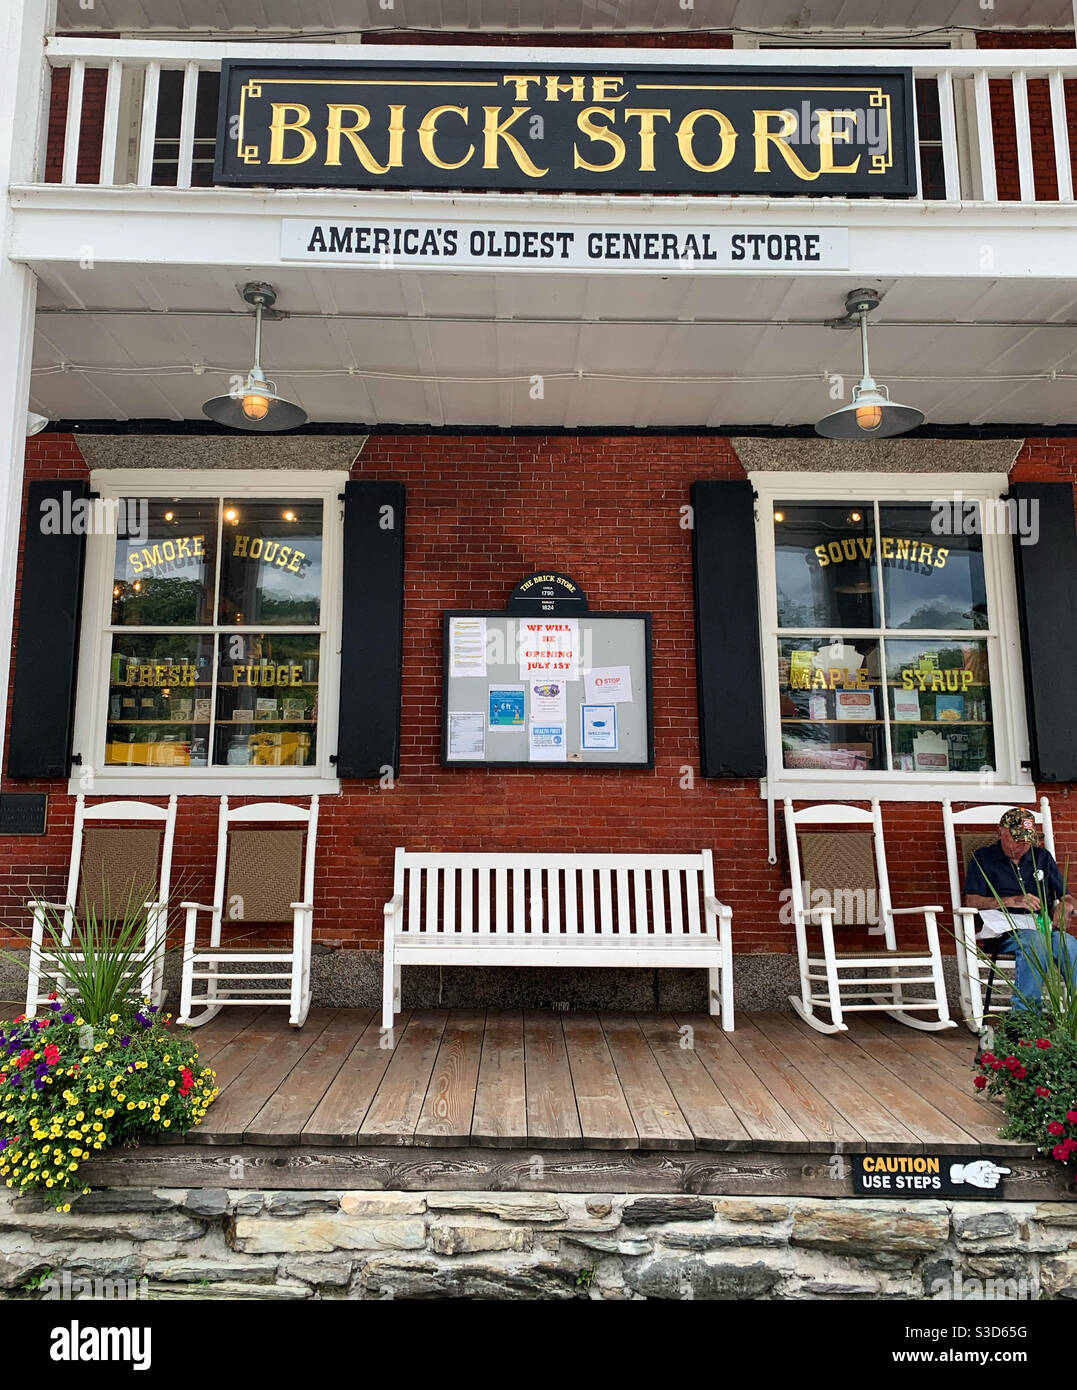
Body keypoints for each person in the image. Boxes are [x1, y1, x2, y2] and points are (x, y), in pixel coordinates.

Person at [963, 806, 1077, 1011]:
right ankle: (1025, 1019)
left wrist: (1066, 906)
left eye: (1027, 839)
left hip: (1041, 926)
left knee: (1068, 943)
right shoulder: (983, 858)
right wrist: (1011, 900)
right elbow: (971, 900)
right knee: (1035, 942)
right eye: (1017, 838)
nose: (1023, 845)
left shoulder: (1041, 857)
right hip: (1004, 932)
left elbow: (1067, 895)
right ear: (1000, 832)